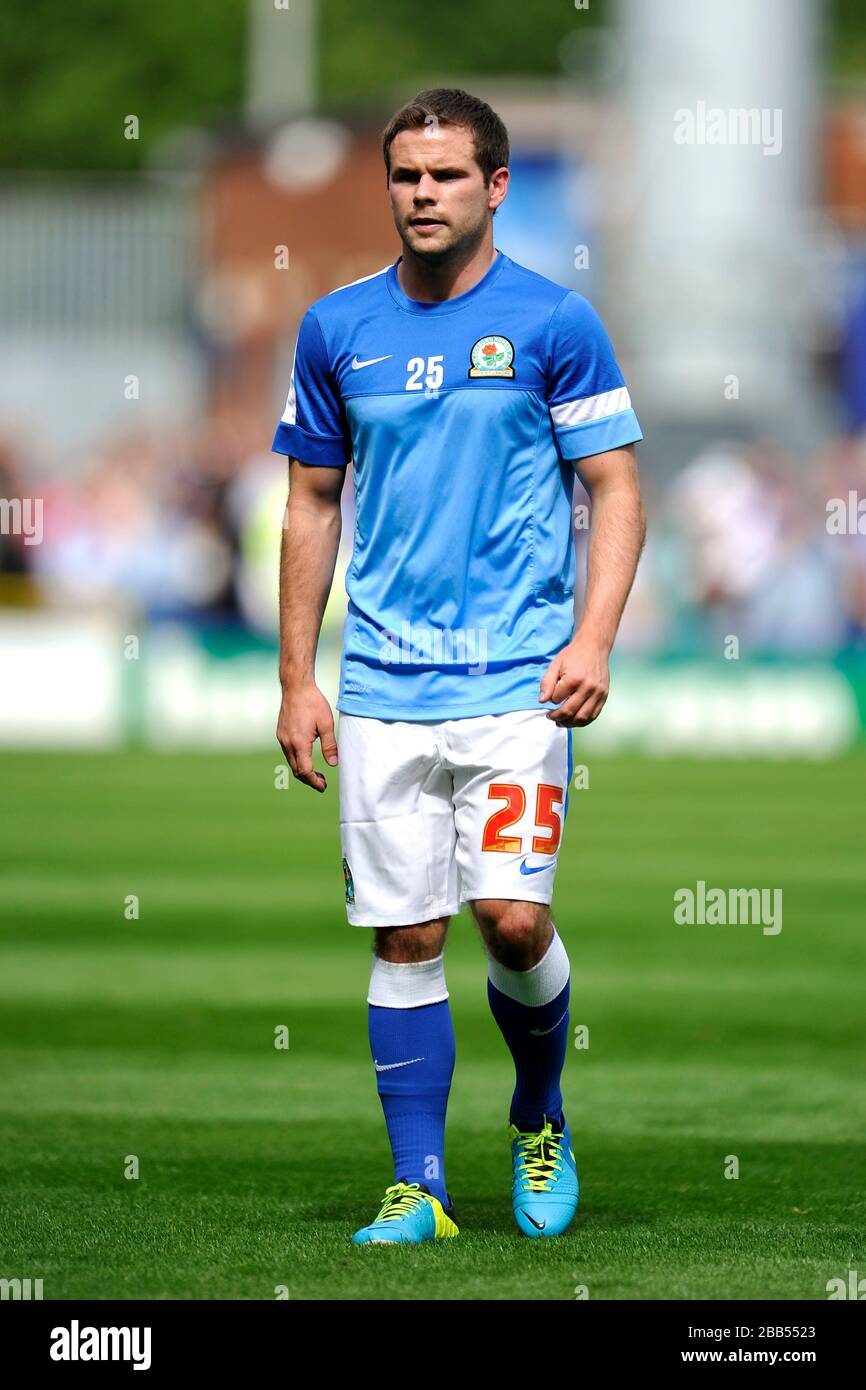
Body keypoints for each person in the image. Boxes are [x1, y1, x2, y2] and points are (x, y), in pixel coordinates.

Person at [273, 88, 646, 1244]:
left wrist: (590, 640)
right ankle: (420, 1186)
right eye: (404, 175)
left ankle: (538, 1111)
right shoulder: (335, 328)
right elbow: (309, 504)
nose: (421, 193)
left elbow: (617, 488)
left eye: (444, 175)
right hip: (382, 685)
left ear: (493, 187)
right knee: (406, 935)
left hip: (515, 679)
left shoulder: (552, 322)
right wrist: (296, 676)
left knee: (511, 921)